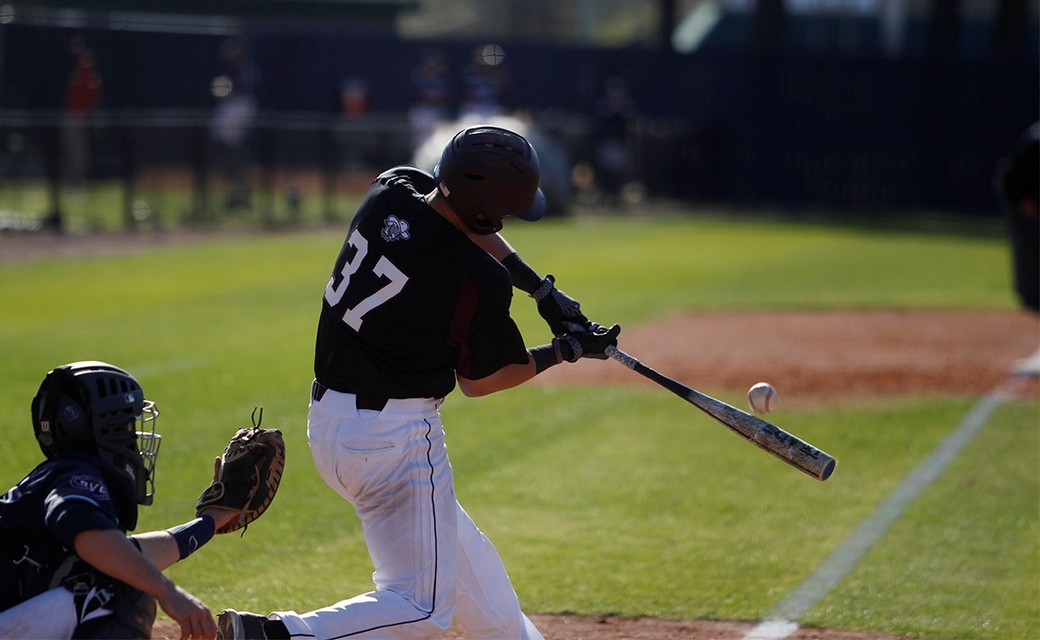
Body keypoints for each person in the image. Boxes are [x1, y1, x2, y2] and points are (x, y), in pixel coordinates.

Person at [216, 126, 620, 639]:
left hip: (332, 425)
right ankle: (274, 636)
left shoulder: (392, 189)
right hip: (396, 444)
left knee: (492, 609)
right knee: (423, 607)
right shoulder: (474, 278)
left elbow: (455, 223)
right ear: (483, 210)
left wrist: (540, 289)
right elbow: (485, 380)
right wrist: (566, 350)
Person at [1, 361, 237, 639]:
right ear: (104, 427)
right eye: (128, 421)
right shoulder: (79, 476)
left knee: (124, 573)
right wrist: (166, 590)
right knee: (122, 592)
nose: (134, 434)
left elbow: (124, 555)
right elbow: (90, 535)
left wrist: (210, 522)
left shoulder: (56, 477)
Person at [993, 122, 1039, 375]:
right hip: (1029, 216)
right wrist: (1026, 201)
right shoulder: (1036, 140)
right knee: (1032, 279)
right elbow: (1012, 182)